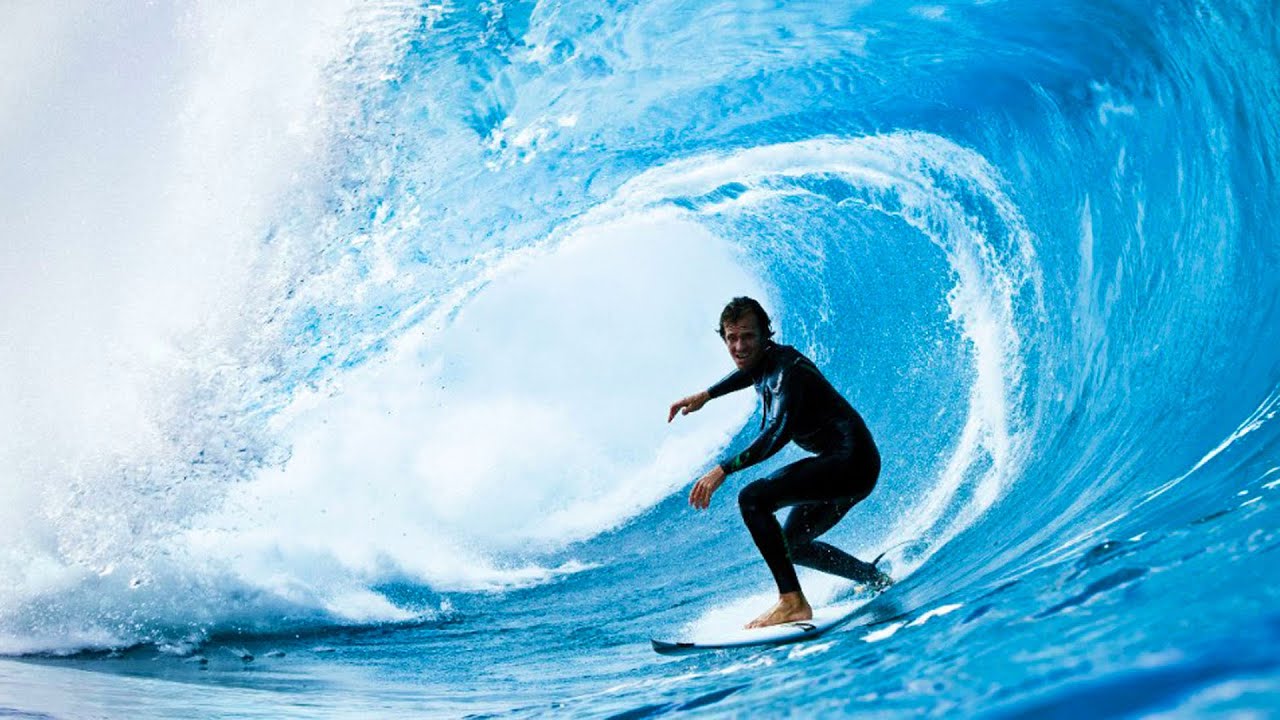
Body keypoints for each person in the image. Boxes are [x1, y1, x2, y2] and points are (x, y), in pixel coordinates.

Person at [668, 296, 891, 629]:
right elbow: (748, 372)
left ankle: (792, 602)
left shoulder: (787, 372)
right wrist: (707, 395)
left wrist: (723, 470)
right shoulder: (765, 363)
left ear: (765, 336)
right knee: (792, 546)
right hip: (849, 464)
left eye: (748, 336)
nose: (739, 346)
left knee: (753, 498)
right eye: (732, 338)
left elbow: (777, 433)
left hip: (850, 461)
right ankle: (872, 578)